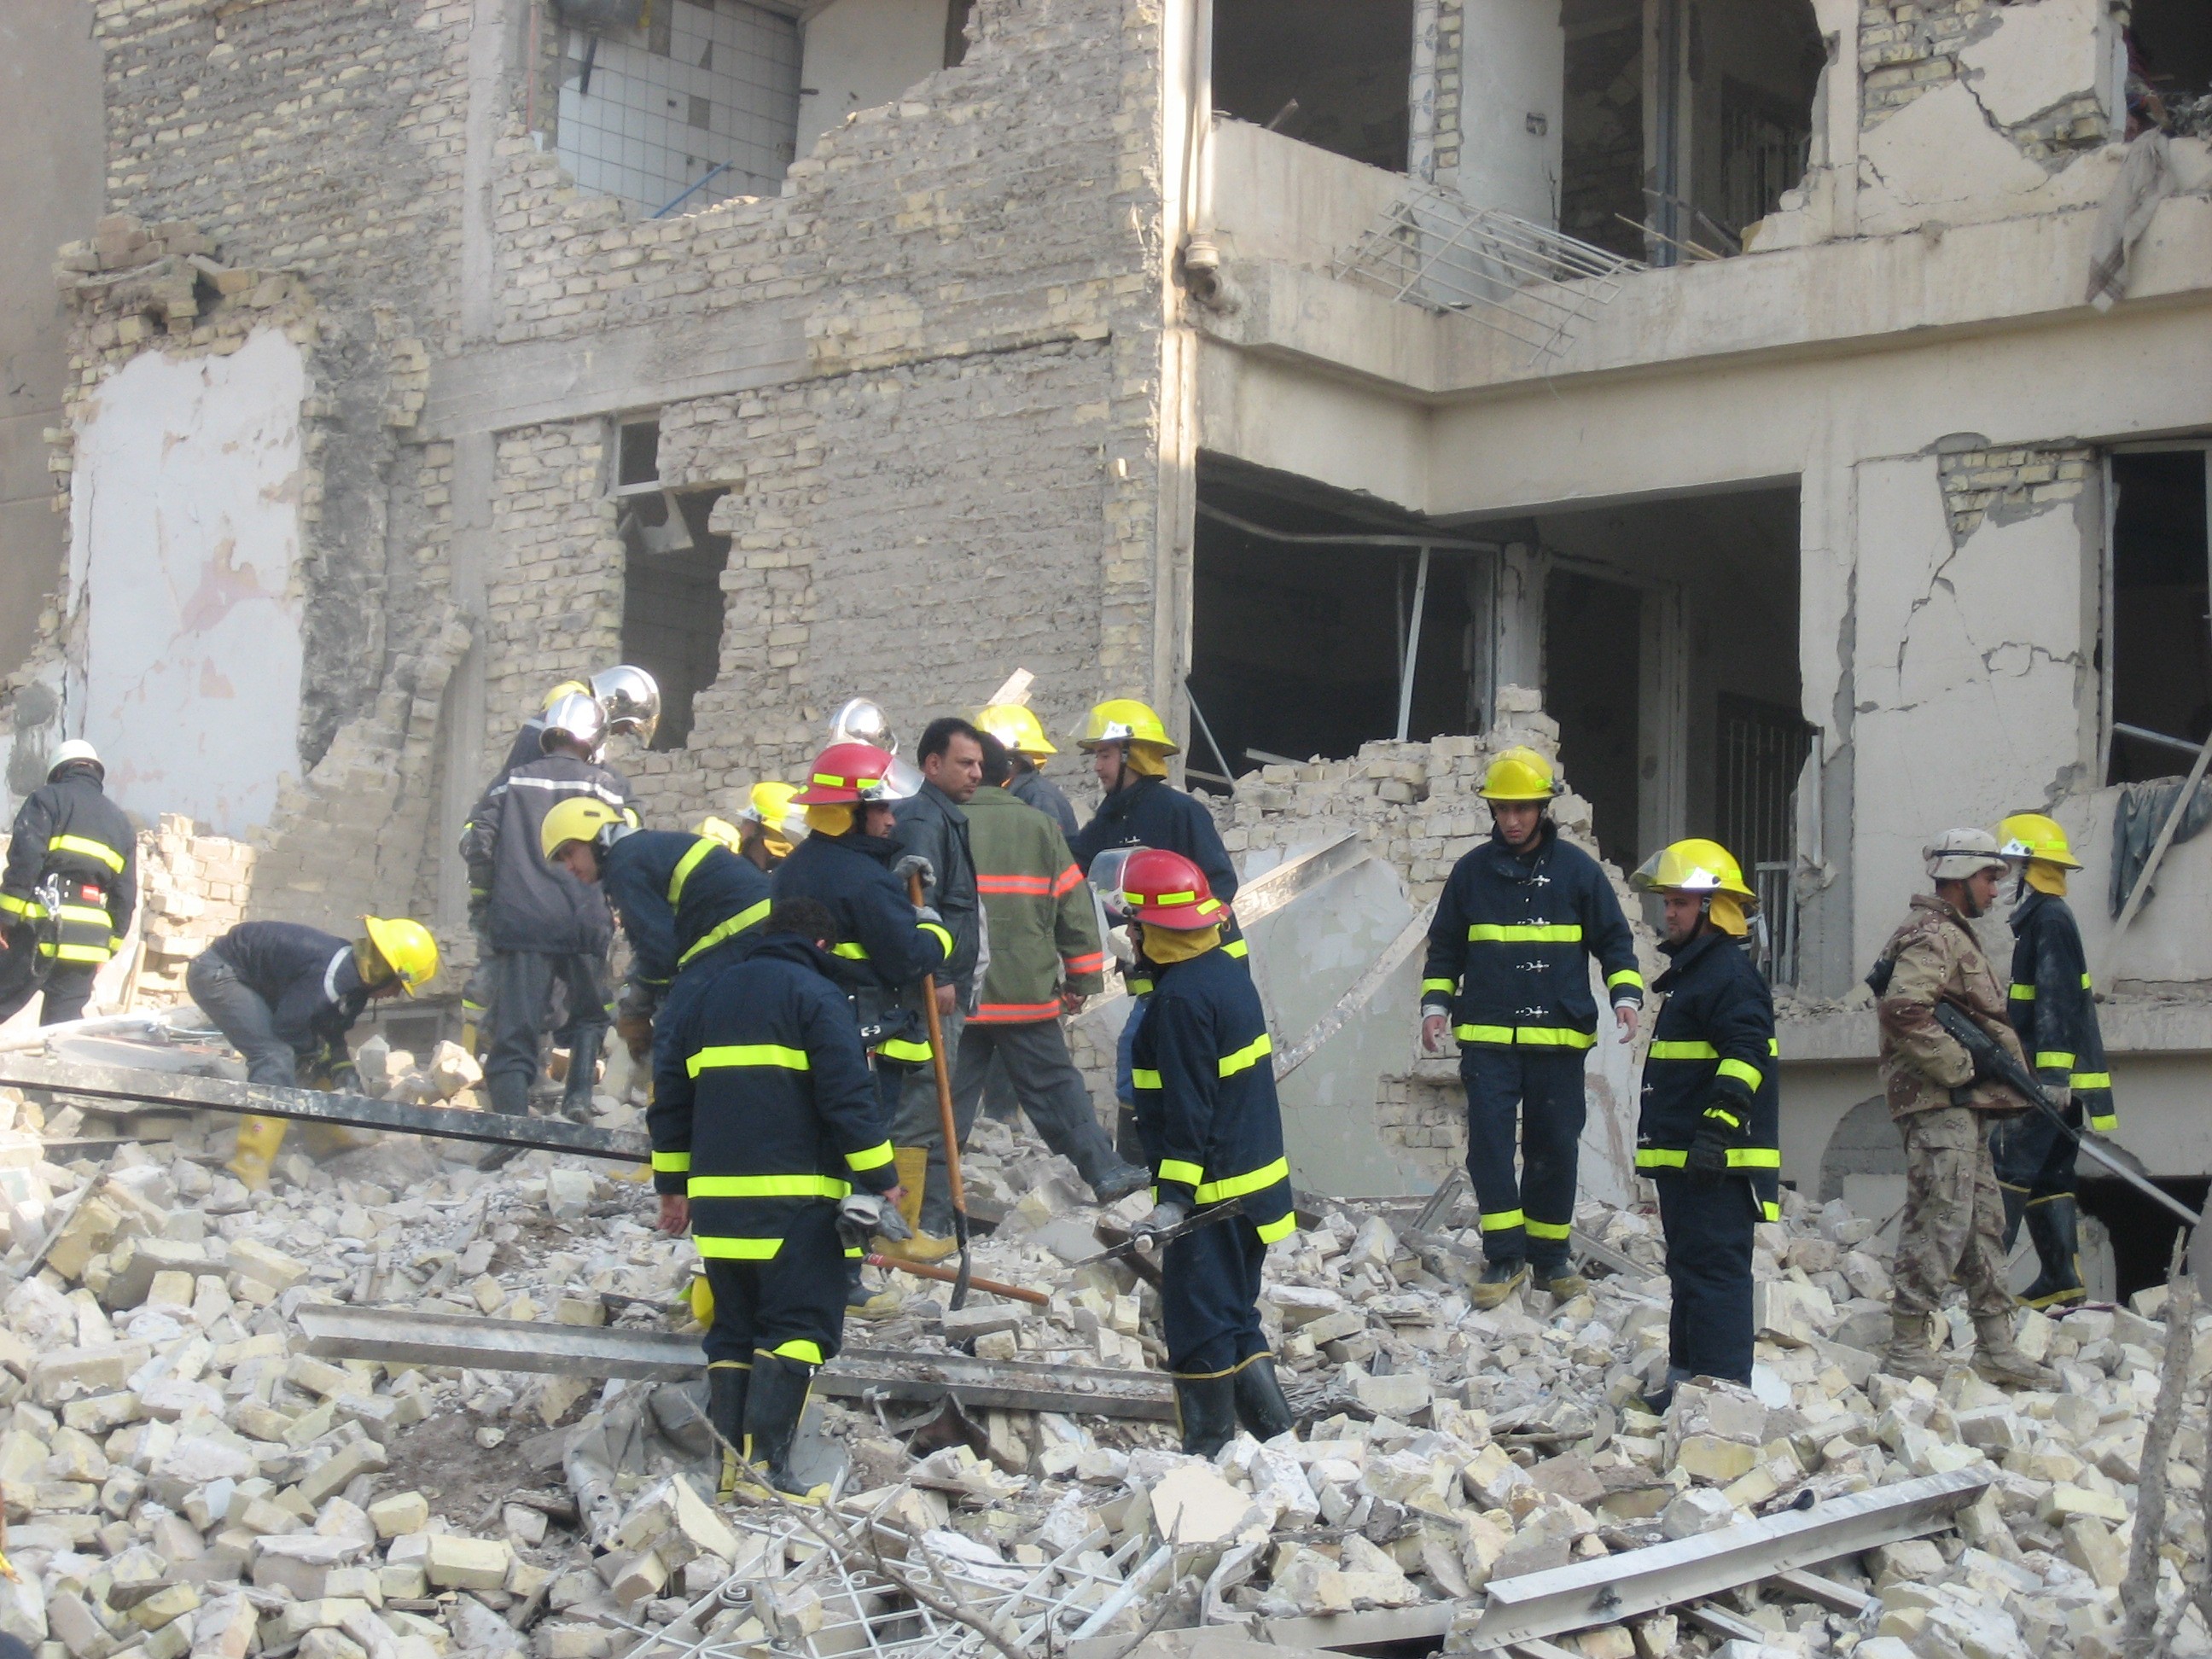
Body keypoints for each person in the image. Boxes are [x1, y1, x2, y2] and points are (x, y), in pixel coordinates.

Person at [649, 898, 903, 1503]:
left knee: (734, 1332)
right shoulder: (816, 997)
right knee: (800, 1327)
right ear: (823, 947)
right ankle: (768, 1472)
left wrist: (671, 1188)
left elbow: (671, 1100)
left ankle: (731, 1472)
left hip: (718, 1207)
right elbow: (847, 1095)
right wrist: (882, 1176)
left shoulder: (707, 997)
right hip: (795, 1204)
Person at [1418, 747, 1644, 1310]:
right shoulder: (1471, 873)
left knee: (1554, 1149)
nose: (1512, 820)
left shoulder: (1578, 872)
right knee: (1490, 1150)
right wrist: (1434, 1007)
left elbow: (1614, 940)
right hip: (1488, 1040)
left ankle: (1550, 1260)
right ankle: (1503, 1258)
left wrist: (1626, 996)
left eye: (1522, 809)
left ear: (1543, 808)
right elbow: (1445, 948)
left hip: (1559, 1040)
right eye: (1502, 809)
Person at [932, 735, 1149, 1226]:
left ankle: (933, 1206)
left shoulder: (939, 822)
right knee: (1056, 1087)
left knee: (947, 1099)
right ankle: (1106, 1172)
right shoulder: (1038, 826)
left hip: (957, 995)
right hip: (1024, 992)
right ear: (1008, 774)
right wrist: (1081, 980)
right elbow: (1074, 908)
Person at [1122, 848, 1297, 1455]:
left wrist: (1172, 1201)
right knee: (1235, 1318)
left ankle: (1208, 1456)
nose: (1129, 936)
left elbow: (1188, 1111)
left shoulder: (1179, 1004)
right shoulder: (1222, 971)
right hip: (1253, 1191)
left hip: (1211, 1200)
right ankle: (1281, 1447)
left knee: (1199, 1330)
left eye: (1135, 925)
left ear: (1155, 931)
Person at [1870, 829, 2059, 1388]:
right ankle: (1908, 1346)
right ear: (1960, 878)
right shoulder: (1931, 935)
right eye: (1987, 879)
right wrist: (1962, 1067)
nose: (1995, 892)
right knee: (1942, 1214)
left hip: (1958, 1102)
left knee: (1983, 1222)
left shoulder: (1952, 935)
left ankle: (1996, 1345)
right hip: (1937, 1101)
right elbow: (1904, 1010)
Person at [772, 741, 952, 1313]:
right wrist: (929, 923)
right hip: (864, 1040)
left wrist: (889, 887)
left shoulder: (793, 867)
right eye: (881, 810)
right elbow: (908, 957)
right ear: (851, 812)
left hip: (799, 1030)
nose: (892, 820)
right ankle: (847, 1277)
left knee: (814, 1154)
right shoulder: (863, 880)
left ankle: (805, 1266)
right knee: (860, 1154)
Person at [1629, 840, 1778, 1408]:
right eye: (1668, 902)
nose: (1669, 913)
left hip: (1717, 1161)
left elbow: (1747, 1055)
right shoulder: (1698, 974)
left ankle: (1720, 1401)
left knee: (1715, 1274)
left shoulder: (1727, 977)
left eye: (1681, 903)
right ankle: (1685, 1390)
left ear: (1715, 909)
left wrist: (1716, 1132)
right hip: (1690, 1159)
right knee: (1690, 1272)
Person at [462, 692, 631, 1121]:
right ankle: (578, 1099)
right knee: (590, 1016)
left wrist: (487, 900)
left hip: (522, 922)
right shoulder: (604, 785)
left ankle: (512, 1124)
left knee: (514, 1033)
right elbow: (623, 849)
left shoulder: (511, 781)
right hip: (584, 920)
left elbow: (478, 844)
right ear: (593, 738)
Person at [186, 915, 439, 1187]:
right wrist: (318, 1052)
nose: (395, 994)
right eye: (398, 985)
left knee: (310, 1056)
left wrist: (341, 1066)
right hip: (219, 972)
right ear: (384, 971)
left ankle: (325, 1140)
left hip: (251, 979)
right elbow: (288, 1025)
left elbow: (330, 1029)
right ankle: (249, 1162)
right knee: (275, 1055)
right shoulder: (333, 975)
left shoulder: (355, 986)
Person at [538, 799, 773, 1066]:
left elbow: (659, 950)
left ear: (594, 838)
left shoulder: (624, 866)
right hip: (755, 926)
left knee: (673, 1033)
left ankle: (671, 1092)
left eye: (570, 852)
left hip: (739, 932)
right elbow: (654, 945)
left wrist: (637, 1010)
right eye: (562, 860)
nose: (569, 866)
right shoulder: (640, 852)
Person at [1993, 812, 2110, 1310]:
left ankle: (1979, 1283)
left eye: (2006, 865)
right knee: (2049, 1174)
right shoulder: (2045, 918)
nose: (2000, 875)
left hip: (2046, 1078)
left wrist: (2054, 1076)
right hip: (2055, 1078)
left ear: (2028, 866)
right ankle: (2061, 1280)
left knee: (2007, 1162)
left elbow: (2056, 999)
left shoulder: (2049, 919)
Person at [888, 719, 986, 1240]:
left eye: (979, 765)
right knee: (925, 1100)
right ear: (932, 764)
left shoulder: (944, 816)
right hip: (933, 989)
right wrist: (939, 973)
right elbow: (921, 903)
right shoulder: (925, 819)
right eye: (964, 763)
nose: (976, 773)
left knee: (931, 1099)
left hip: (948, 985)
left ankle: (922, 1219)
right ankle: (902, 1225)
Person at [0, 741, 136, 1028]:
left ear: (58, 772)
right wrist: (109, 947)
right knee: (61, 1032)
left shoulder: (46, 800)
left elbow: (25, 863)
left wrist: (4, 919)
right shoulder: (121, 823)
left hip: (37, 929)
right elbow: (125, 896)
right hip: (87, 942)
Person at [975, 703, 1080, 841]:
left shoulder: (1038, 796)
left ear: (1011, 761)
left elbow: (1044, 848)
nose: (975, 770)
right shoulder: (1016, 792)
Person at [709, 783, 806, 874]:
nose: (741, 828)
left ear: (759, 830)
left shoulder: (739, 876)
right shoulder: (797, 873)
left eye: (746, 822)